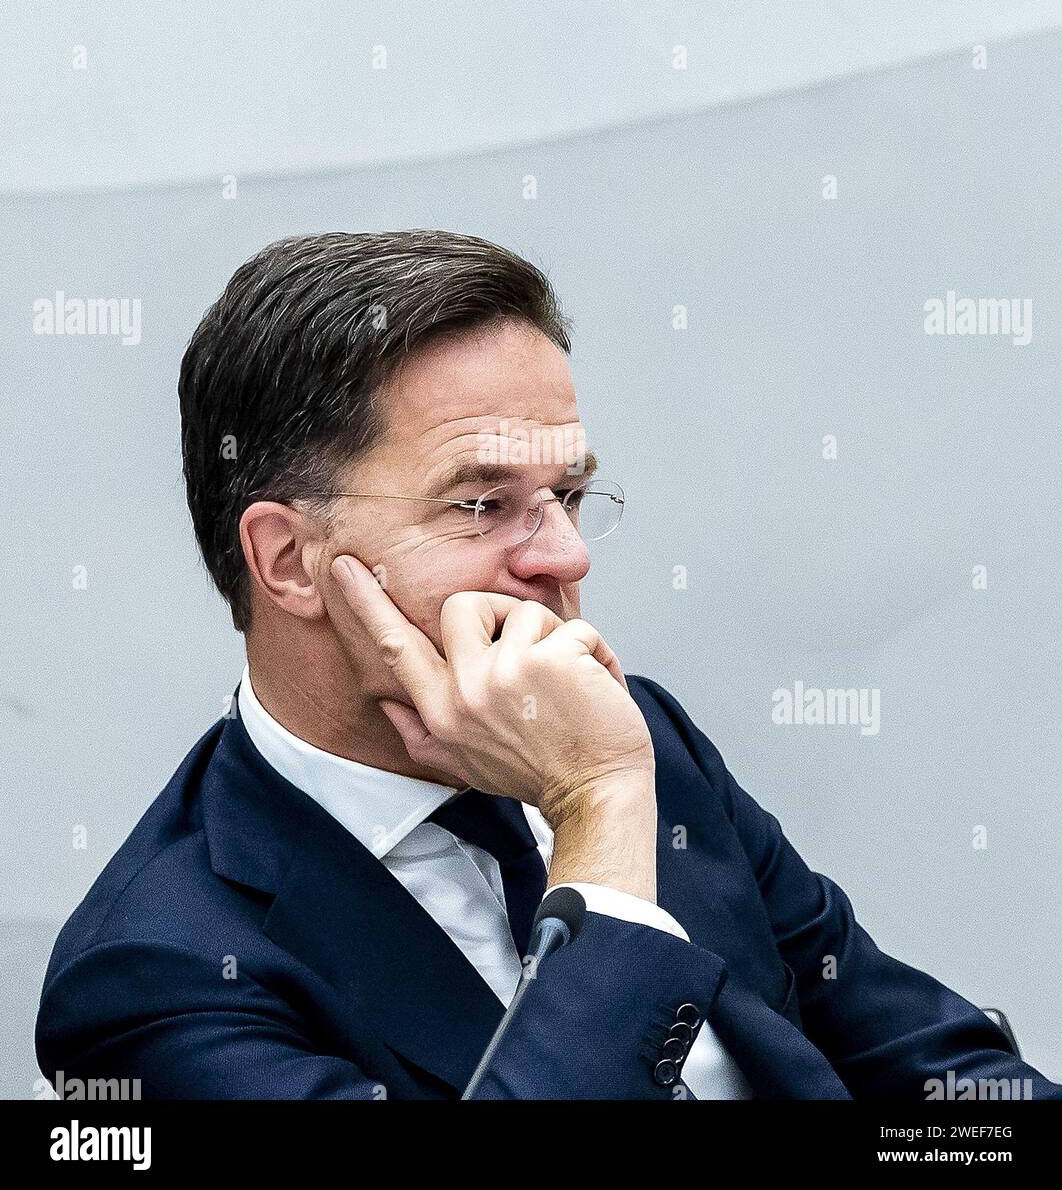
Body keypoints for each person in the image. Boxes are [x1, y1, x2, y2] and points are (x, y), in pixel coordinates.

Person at [35, 231, 1061, 1099]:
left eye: (567, 496)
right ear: (290, 561)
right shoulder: (153, 980)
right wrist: (600, 816)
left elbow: (934, 1067)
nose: (564, 556)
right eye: (481, 503)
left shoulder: (640, 732)